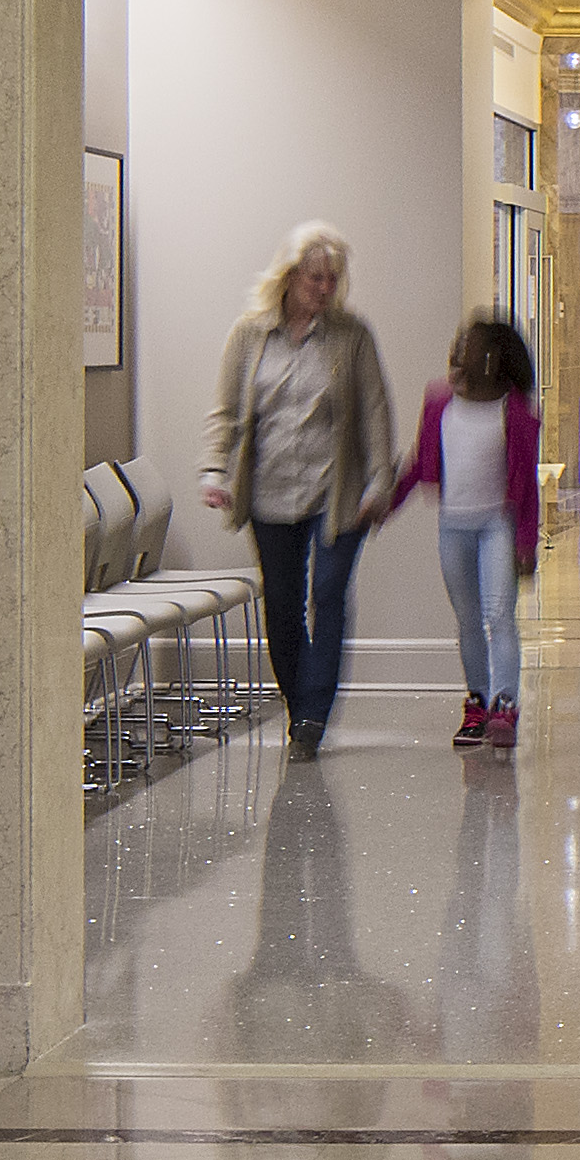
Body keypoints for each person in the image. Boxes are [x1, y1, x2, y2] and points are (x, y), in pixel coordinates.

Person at [197, 220, 391, 762]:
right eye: (315, 279)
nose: (325, 289)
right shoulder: (250, 333)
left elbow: (376, 410)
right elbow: (226, 411)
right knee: (281, 605)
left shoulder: (352, 336)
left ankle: (311, 719)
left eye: (333, 279)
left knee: (327, 597)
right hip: (269, 489)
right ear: (289, 276)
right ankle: (297, 701)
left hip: (338, 491)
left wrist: (381, 481)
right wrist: (214, 471)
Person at [386, 312, 544, 751]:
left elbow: (527, 484)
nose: (459, 349)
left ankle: (505, 703)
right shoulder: (439, 400)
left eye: (469, 343)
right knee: (468, 620)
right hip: (453, 524)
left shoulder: (515, 410)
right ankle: (476, 703)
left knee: (499, 616)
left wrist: (527, 543)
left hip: (498, 523)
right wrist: (385, 504)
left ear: (492, 357)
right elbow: (421, 462)